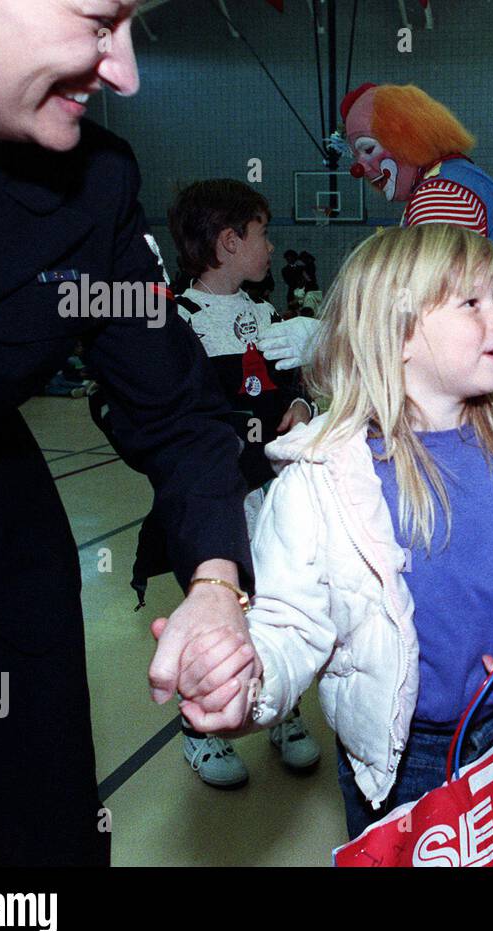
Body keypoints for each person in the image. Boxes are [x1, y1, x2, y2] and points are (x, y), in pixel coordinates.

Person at [0, 0, 259, 865]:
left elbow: (175, 410)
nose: (126, 73)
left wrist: (215, 581)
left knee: (41, 853)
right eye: (99, 20)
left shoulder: (88, 188)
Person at [177, 223, 493, 840]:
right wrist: (248, 684)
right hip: (399, 759)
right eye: (472, 303)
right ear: (400, 330)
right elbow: (289, 626)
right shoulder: (318, 482)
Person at [261, 84, 493, 420]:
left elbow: (433, 312)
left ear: (406, 135)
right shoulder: (457, 178)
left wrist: (334, 337)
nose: (359, 168)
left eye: (368, 149)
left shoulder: (441, 195)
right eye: (356, 155)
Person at [157, 180, 320, 785]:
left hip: (273, 492)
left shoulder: (265, 314)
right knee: (221, 608)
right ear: (229, 242)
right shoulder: (177, 321)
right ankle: (202, 730)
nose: (272, 247)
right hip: (215, 503)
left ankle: (281, 708)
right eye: (261, 234)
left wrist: (302, 408)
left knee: (279, 599)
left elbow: (294, 385)